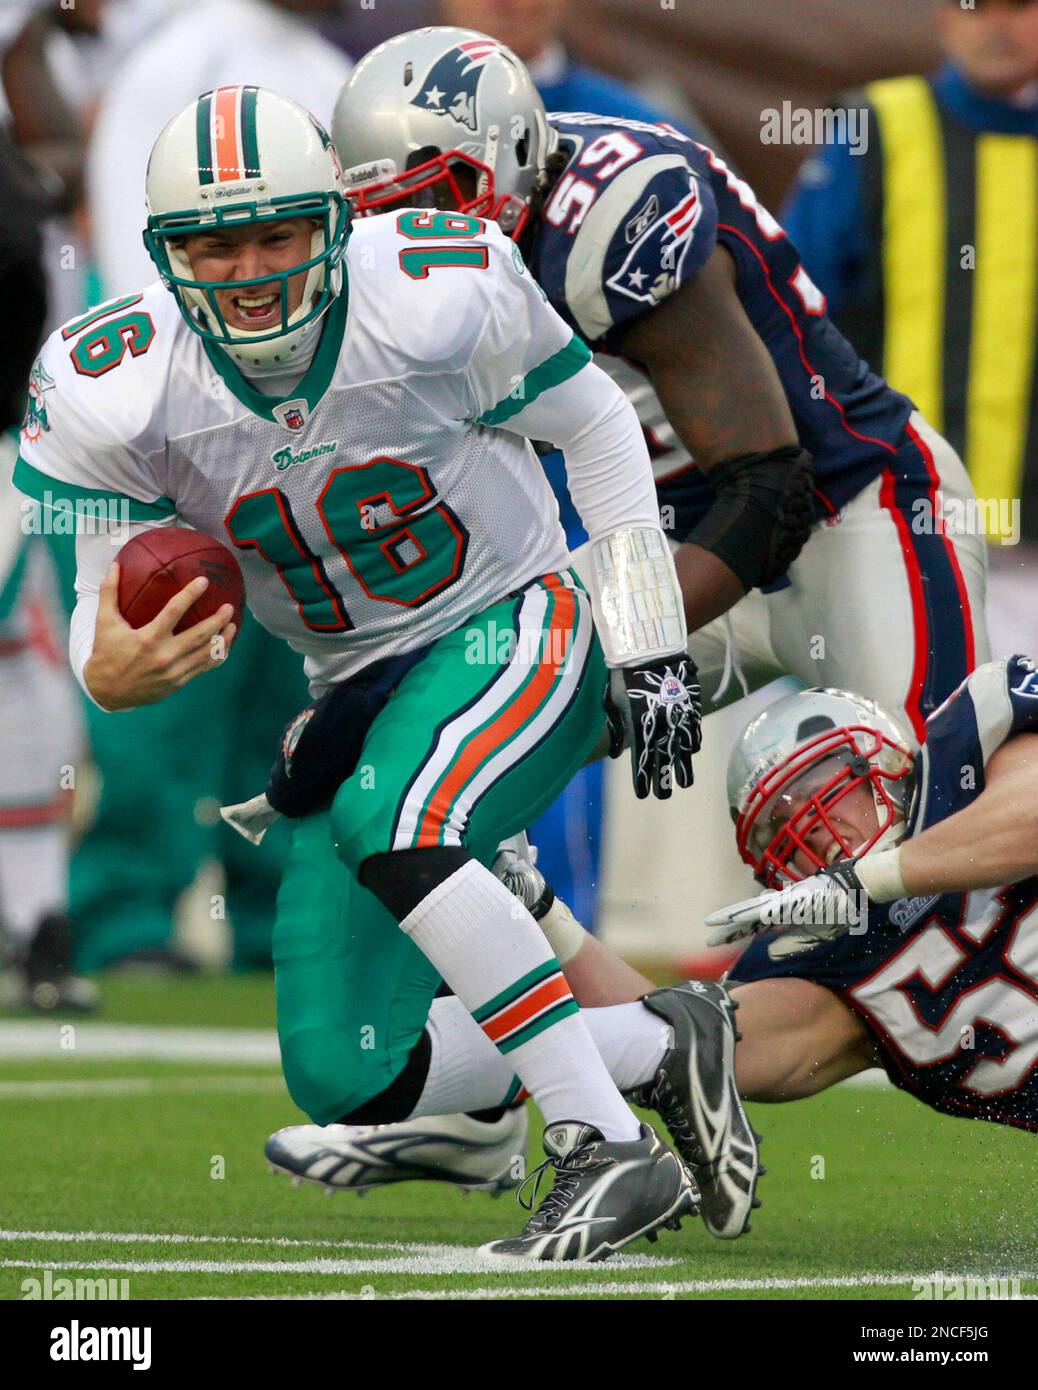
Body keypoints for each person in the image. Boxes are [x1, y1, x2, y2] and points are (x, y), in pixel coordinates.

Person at [13, 85, 741, 1261]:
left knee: (395, 820)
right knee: (350, 1068)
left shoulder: (434, 293)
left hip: (518, 617)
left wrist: (649, 642)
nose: (248, 271)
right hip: (354, 694)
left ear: (333, 223)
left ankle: (605, 1149)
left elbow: (600, 428)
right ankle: (660, 1046)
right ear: (164, 255)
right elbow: (105, 628)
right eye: (213, 246)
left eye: (276, 235)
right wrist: (118, 676)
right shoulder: (118, 383)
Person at [270, 654, 1038, 1231]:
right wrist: (547, 917)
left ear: (887, 765)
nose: (815, 833)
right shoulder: (824, 964)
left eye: (823, 792)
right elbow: (676, 1037)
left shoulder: (966, 750)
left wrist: (872, 879)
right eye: (781, 828)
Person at [782, 0, 1038, 662]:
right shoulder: (875, 126)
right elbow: (791, 311)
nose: (996, 25)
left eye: (1018, 5)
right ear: (943, 16)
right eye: (976, 6)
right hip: (902, 523)